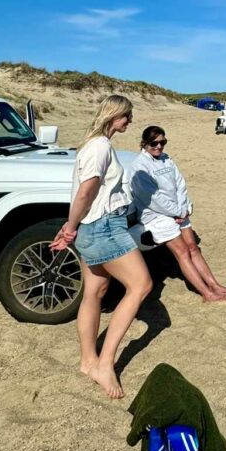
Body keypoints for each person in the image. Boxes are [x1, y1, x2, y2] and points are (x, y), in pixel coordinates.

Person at [50, 95, 153, 400]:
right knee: (141, 286)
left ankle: (87, 361)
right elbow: (86, 191)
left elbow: (84, 193)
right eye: (127, 116)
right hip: (104, 227)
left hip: (92, 227)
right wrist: (70, 227)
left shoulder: (92, 145)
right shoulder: (100, 147)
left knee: (95, 292)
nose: (130, 121)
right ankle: (105, 363)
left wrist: (73, 225)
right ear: (114, 115)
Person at [127, 125, 226, 302]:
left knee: (193, 247)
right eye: (154, 143)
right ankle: (207, 294)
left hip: (178, 211)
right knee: (182, 252)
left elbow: (180, 184)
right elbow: (153, 199)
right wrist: (177, 212)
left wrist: (184, 208)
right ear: (144, 143)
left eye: (163, 142)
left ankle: (215, 285)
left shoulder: (167, 159)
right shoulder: (139, 166)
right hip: (156, 215)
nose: (159, 146)